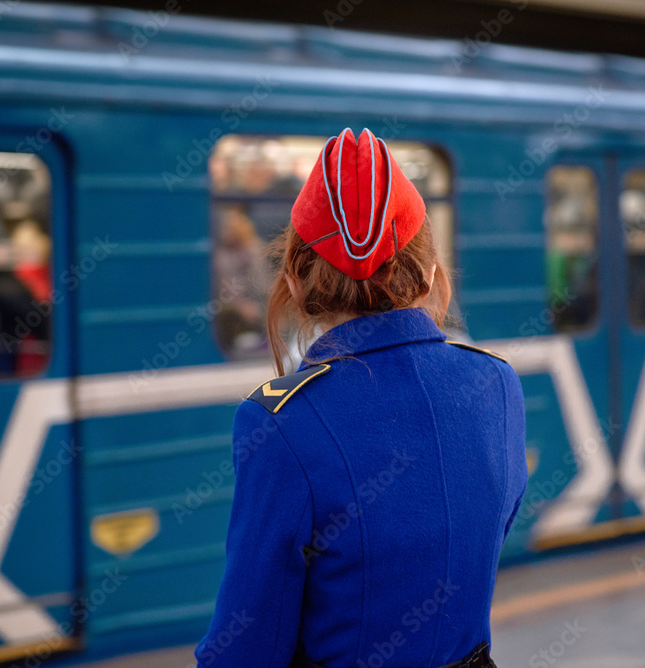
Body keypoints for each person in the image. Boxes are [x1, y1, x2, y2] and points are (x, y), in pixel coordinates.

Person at [196, 128, 527, 668]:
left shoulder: (281, 422)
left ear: (297, 282)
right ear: (429, 271)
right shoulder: (496, 386)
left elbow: (247, 646)